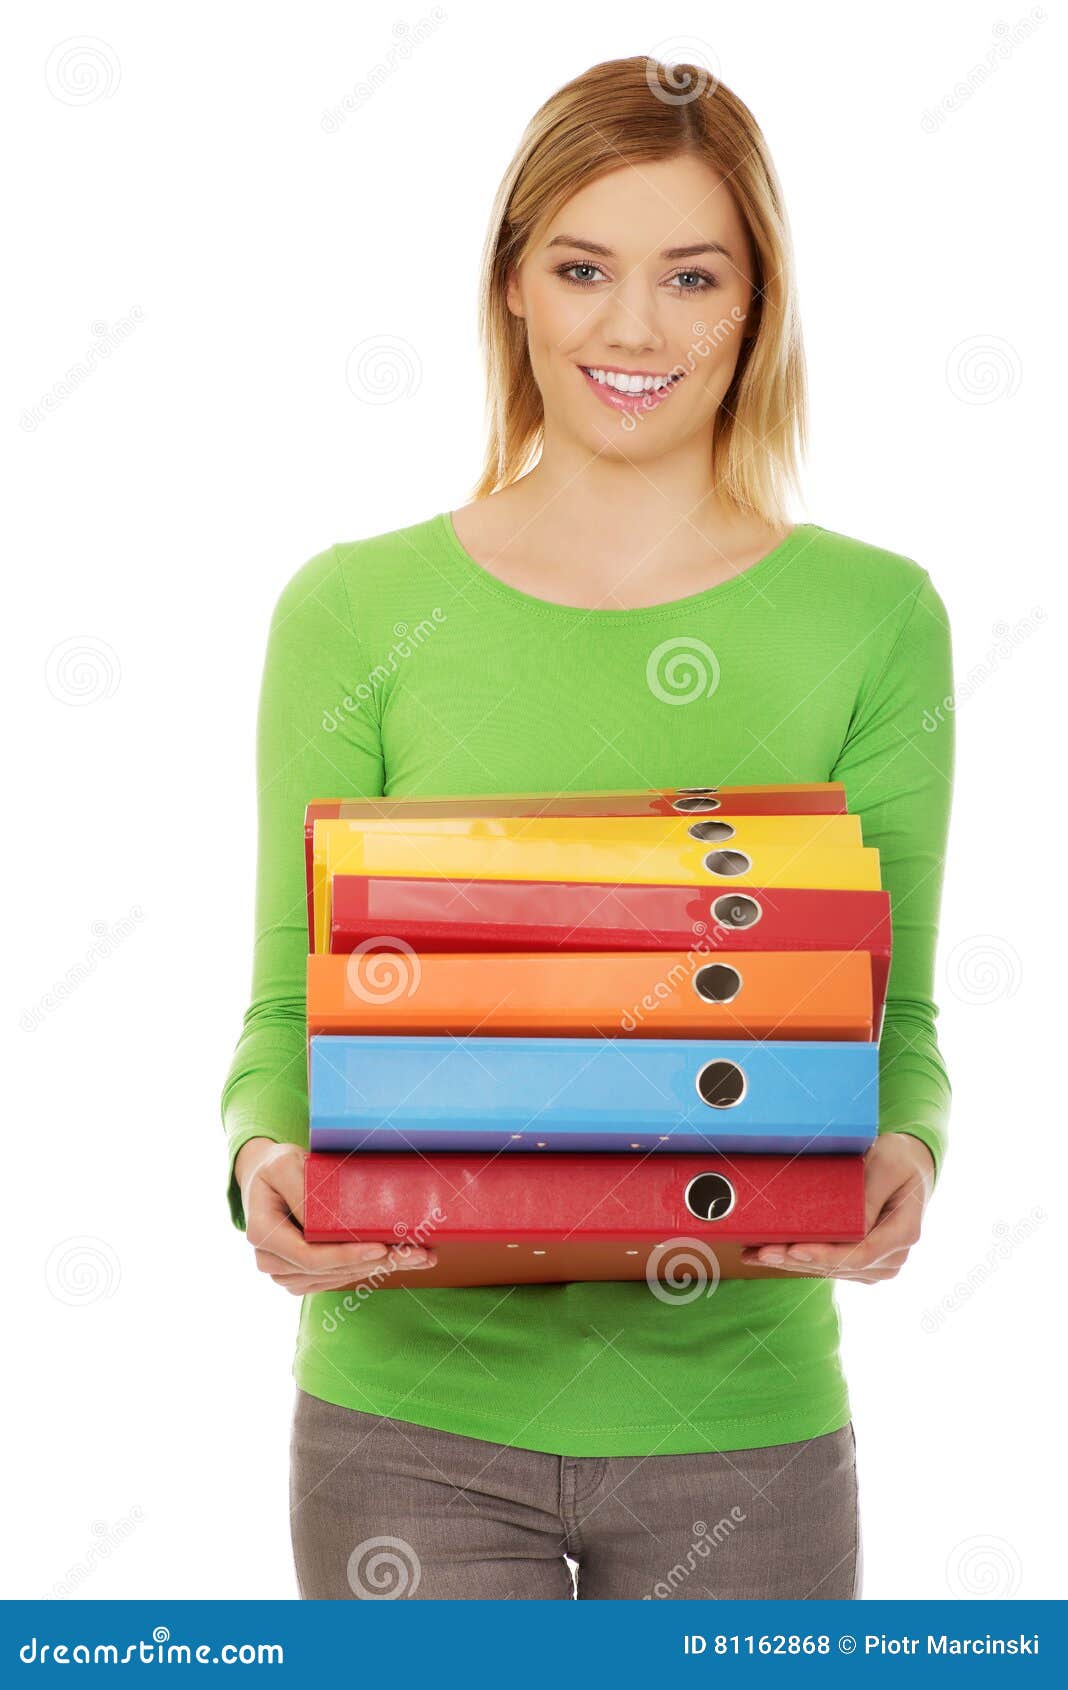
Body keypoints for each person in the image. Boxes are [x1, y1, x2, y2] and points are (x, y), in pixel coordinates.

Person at [220, 55, 954, 1601]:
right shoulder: (354, 609)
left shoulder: (874, 617)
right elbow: (295, 1004)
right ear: (512, 291)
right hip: (404, 1421)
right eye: (582, 268)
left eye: (692, 276)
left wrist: (909, 1145)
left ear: (755, 305)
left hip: (744, 1420)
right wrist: (258, 1162)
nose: (633, 328)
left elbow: (900, 1017)